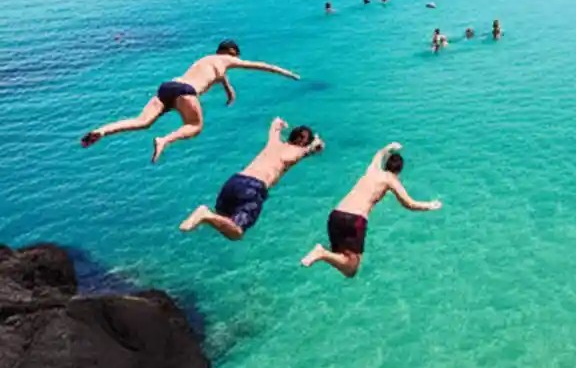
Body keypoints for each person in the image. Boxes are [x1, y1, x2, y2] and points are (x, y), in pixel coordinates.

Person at [80, 40, 300, 163]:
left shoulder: (207, 60)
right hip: (186, 92)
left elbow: (220, 77)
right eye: (235, 56)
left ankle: (102, 131)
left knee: (141, 122)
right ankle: (164, 140)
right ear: (230, 53)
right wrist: (289, 74)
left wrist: (229, 91)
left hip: (167, 87)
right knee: (195, 126)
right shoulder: (227, 61)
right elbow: (262, 65)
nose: (236, 59)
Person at [301, 143, 442, 278]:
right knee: (351, 269)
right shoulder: (391, 180)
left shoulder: (372, 169)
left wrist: (390, 147)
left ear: (386, 164)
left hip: (336, 215)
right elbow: (409, 204)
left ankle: (323, 253)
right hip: (355, 219)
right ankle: (321, 253)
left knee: (343, 258)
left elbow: (380, 153)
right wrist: (430, 205)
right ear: (399, 171)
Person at [179, 118, 324, 240]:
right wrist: (309, 149)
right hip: (253, 188)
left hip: (235, 181)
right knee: (236, 232)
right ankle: (205, 214)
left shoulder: (274, 143)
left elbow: (274, 128)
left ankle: (206, 216)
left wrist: (278, 123)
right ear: (303, 142)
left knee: (224, 220)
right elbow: (288, 157)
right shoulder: (296, 150)